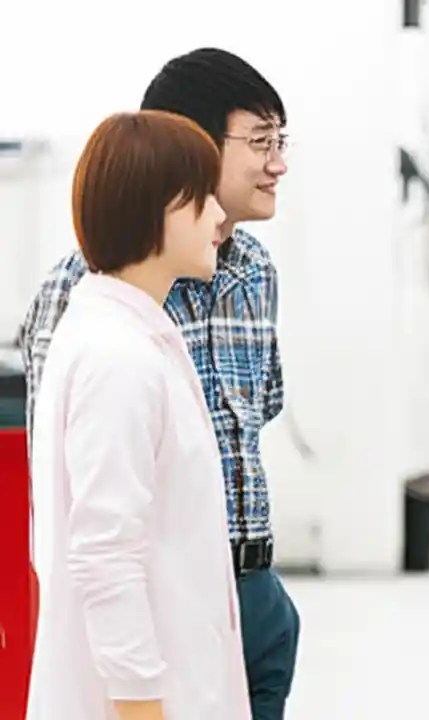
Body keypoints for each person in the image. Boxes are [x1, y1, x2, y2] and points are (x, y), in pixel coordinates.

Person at [17, 48, 298, 719]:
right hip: (158, 609)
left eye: (281, 142)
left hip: (246, 591)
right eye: (261, 141)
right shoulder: (93, 310)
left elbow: (260, 411)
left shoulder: (253, 273)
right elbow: (85, 520)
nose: (278, 163)